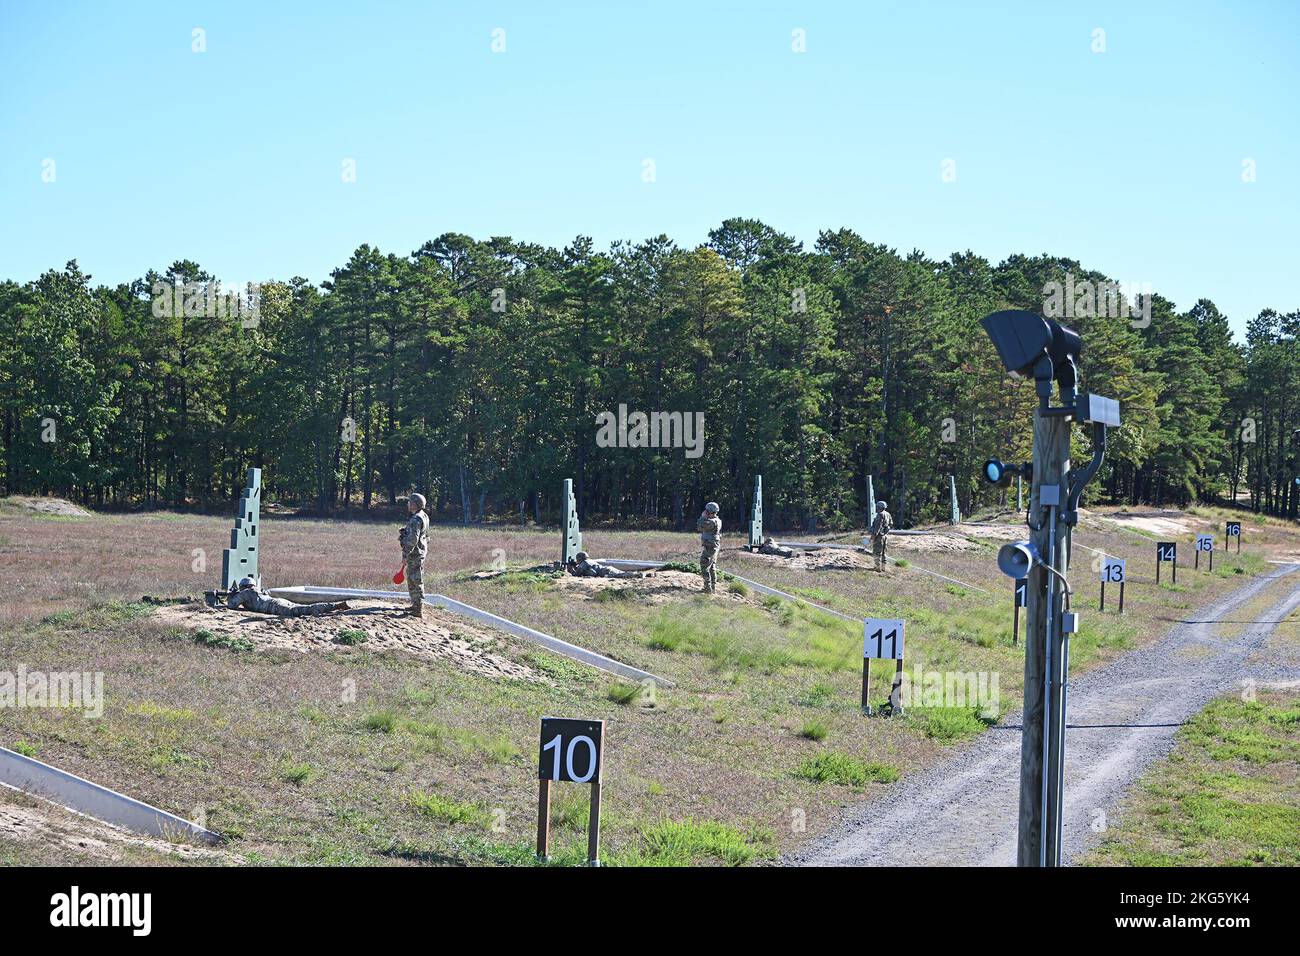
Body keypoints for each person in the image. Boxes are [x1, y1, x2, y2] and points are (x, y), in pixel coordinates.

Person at [226, 577, 350, 616]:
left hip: (274, 606)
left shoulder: (245, 593)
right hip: (277, 601)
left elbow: (232, 606)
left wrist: (231, 596)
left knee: (302, 611)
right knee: (302, 607)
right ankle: (333, 606)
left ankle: (335, 606)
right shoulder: (258, 590)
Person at [399, 493, 430, 617]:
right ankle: (415, 605)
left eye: (410, 501)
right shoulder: (424, 516)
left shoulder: (415, 519)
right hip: (420, 551)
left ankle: (418, 608)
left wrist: (405, 554)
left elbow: (412, 540)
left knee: (415, 579)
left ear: (414, 504)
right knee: (414, 577)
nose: (408, 504)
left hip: (415, 553)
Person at [697, 501, 722, 593]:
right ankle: (713, 587)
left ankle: (707, 588)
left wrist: (702, 517)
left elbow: (699, 527)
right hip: (713, 545)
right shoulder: (717, 520)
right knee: (712, 567)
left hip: (710, 547)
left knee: (704, 565)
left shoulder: (711, 522)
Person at [568, 551, 648, 579]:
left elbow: (577, 574)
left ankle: (639, 575)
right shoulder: (589, 561)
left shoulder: (584, 563)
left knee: (621, 575)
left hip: (606, 572)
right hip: (607, 569)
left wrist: (571, 570)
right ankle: (642, 574)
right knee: (622, 573)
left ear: (580, 559)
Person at [870, 500, 893, 572]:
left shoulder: (880, 515)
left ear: (879, 507)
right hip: (885, 536)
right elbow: (891, 524)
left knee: (877, 552)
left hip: (879, 536)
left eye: (877, 507)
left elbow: (878, 527)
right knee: (883, 552)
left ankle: (877, 567)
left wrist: (873, 536)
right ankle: (883, 567)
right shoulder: (888, 514)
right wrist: (885, 531)